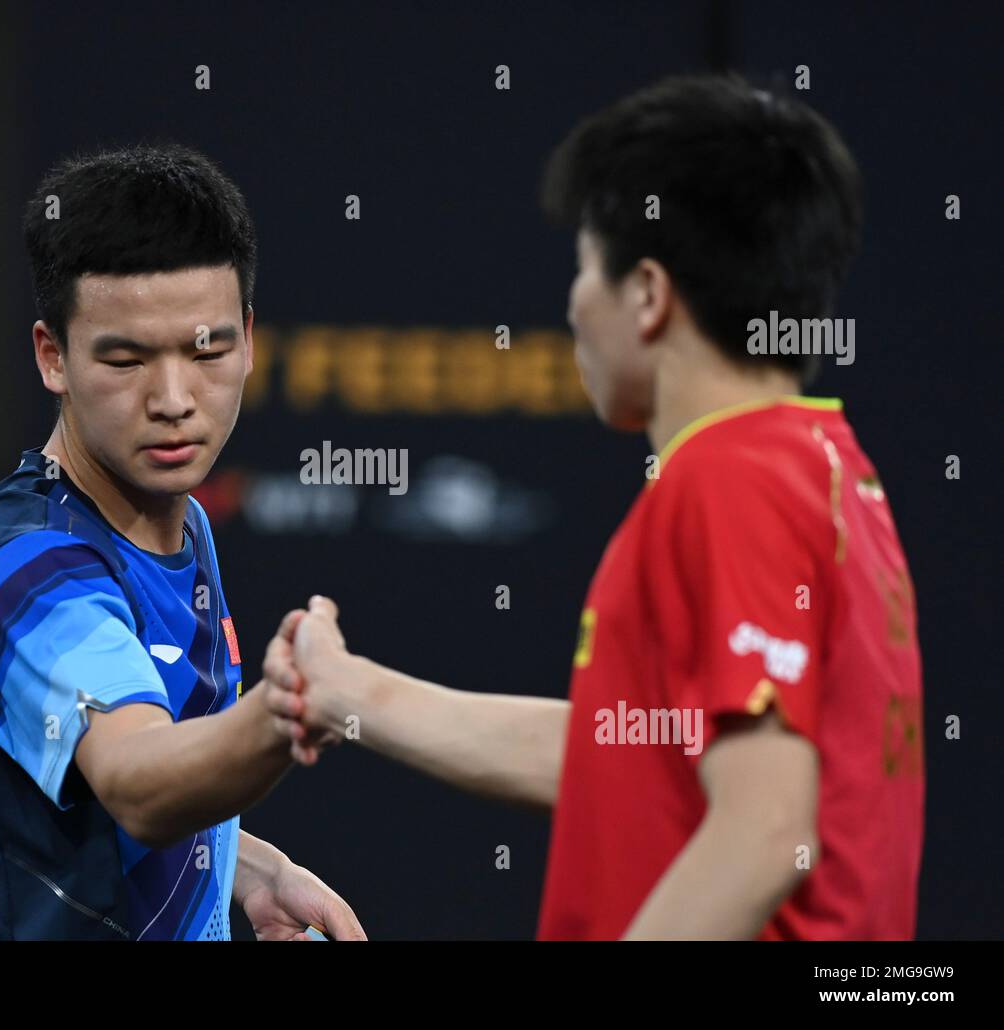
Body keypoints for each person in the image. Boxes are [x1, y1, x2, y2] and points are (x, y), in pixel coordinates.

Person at [267, 75, 925, 940]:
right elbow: (631, 756)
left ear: (647, 294)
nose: (572, 304)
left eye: (582, 268)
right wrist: (350, 692)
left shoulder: (729, 481)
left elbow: (765, 833)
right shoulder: (824, 465)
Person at [0, 142, 364, 941]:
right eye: (125, 359)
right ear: (54, 356)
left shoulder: (178, 518)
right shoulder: (26, 571)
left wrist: (250, 871)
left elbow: (99, 807)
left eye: (207, 350)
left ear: (249, 338)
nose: (175, 400)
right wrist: (283, 712)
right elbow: (135, 781)